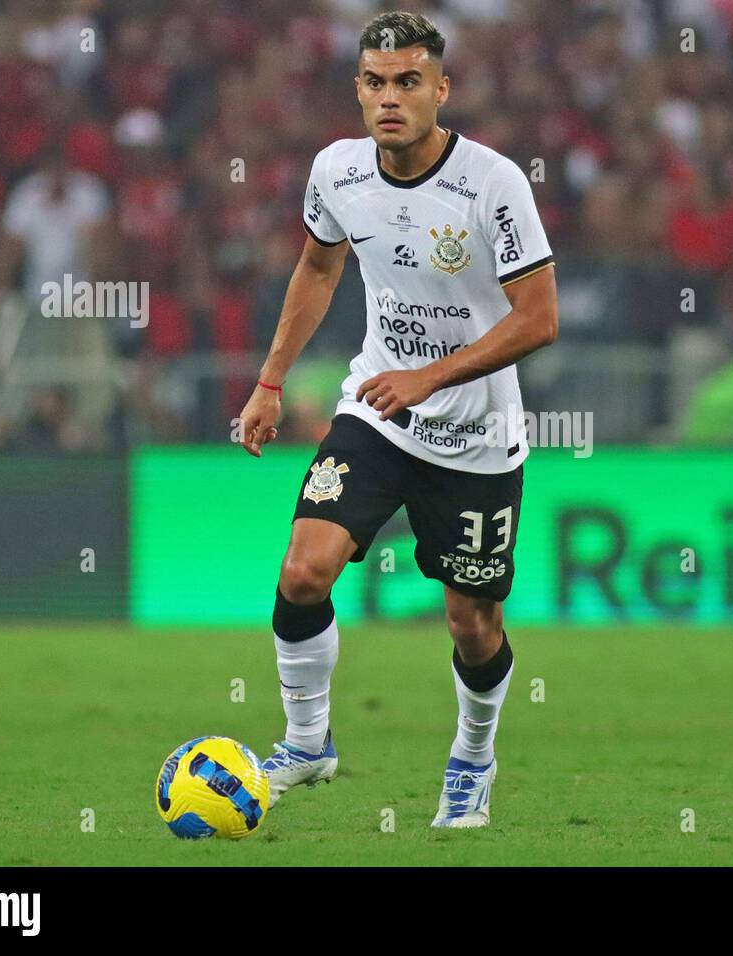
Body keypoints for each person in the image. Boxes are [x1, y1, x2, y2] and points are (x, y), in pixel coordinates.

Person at [236, 11, 558, 829]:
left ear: (440, 89)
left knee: (471, 623)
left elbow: (538, 319)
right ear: (357, 89)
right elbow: (318, 262)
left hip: (478, 437)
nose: (390, 98)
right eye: (375, 83)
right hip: (377, 412)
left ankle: (473, 759)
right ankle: (307, 743)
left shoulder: (492, 183)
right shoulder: (337, 173)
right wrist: (270, 381)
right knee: (303, 571)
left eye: (408, 82)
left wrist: (431, 377)